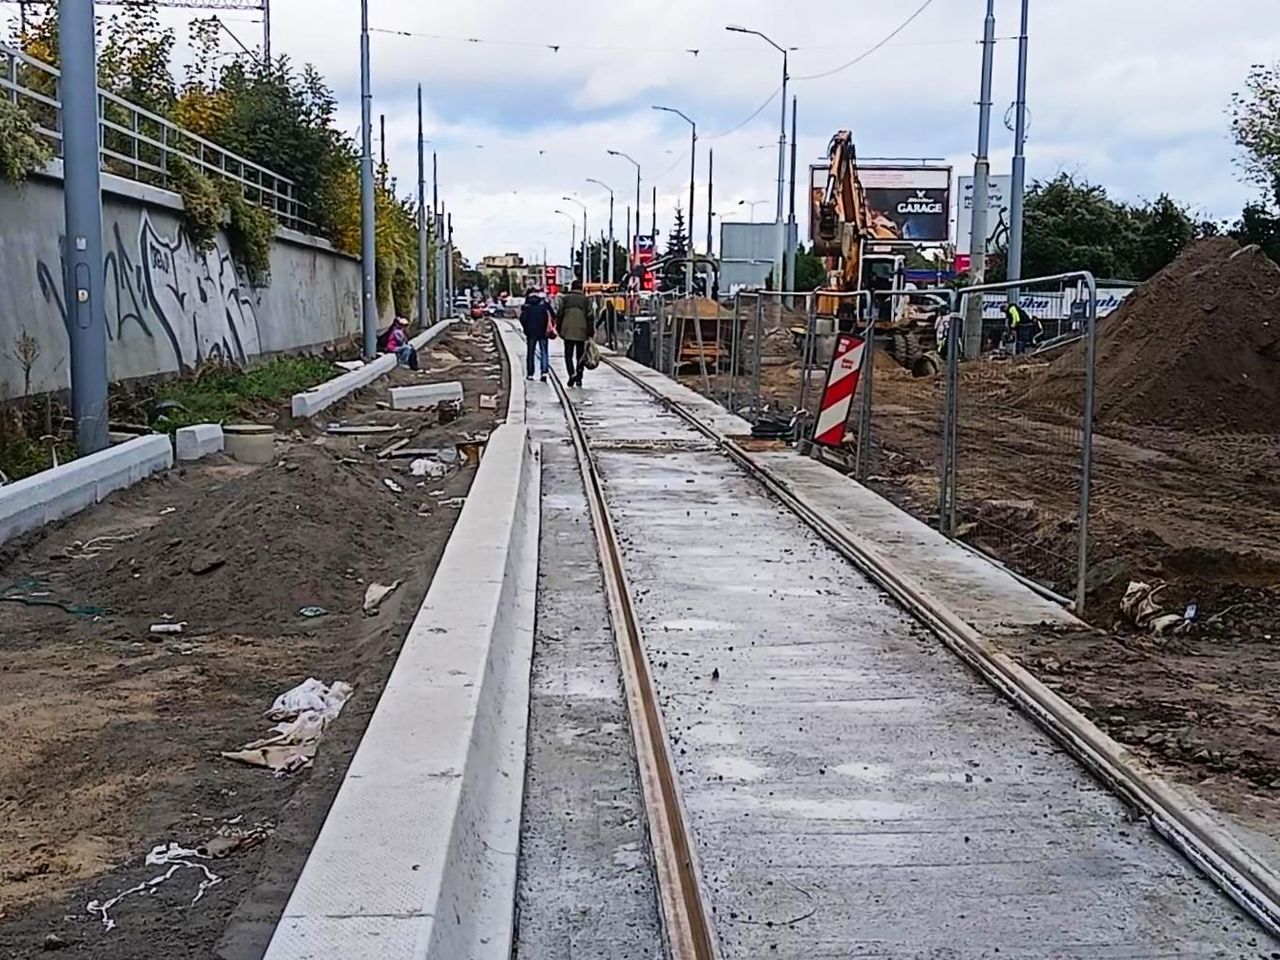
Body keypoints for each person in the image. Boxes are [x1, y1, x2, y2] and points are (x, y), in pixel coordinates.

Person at [559, 280, 594, 386]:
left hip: (567, 329)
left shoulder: (565, 299)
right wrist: (590, 331)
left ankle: (571, 374)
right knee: (580, 355)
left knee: (568, 355)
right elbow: (590, 316)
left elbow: (559, 314)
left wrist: (559, 328)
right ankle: (579, 376)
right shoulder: (586, 300)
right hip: (582, 330)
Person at [519, 288, 553, 382]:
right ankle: (544, 372)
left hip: (531, 333)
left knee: (530, 353)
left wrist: (526, 329)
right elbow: (552, 315)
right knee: (544, 352)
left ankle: (530, 373)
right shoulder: (544, 305)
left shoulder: (526, 307)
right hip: (543, 332)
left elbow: (522, 319)